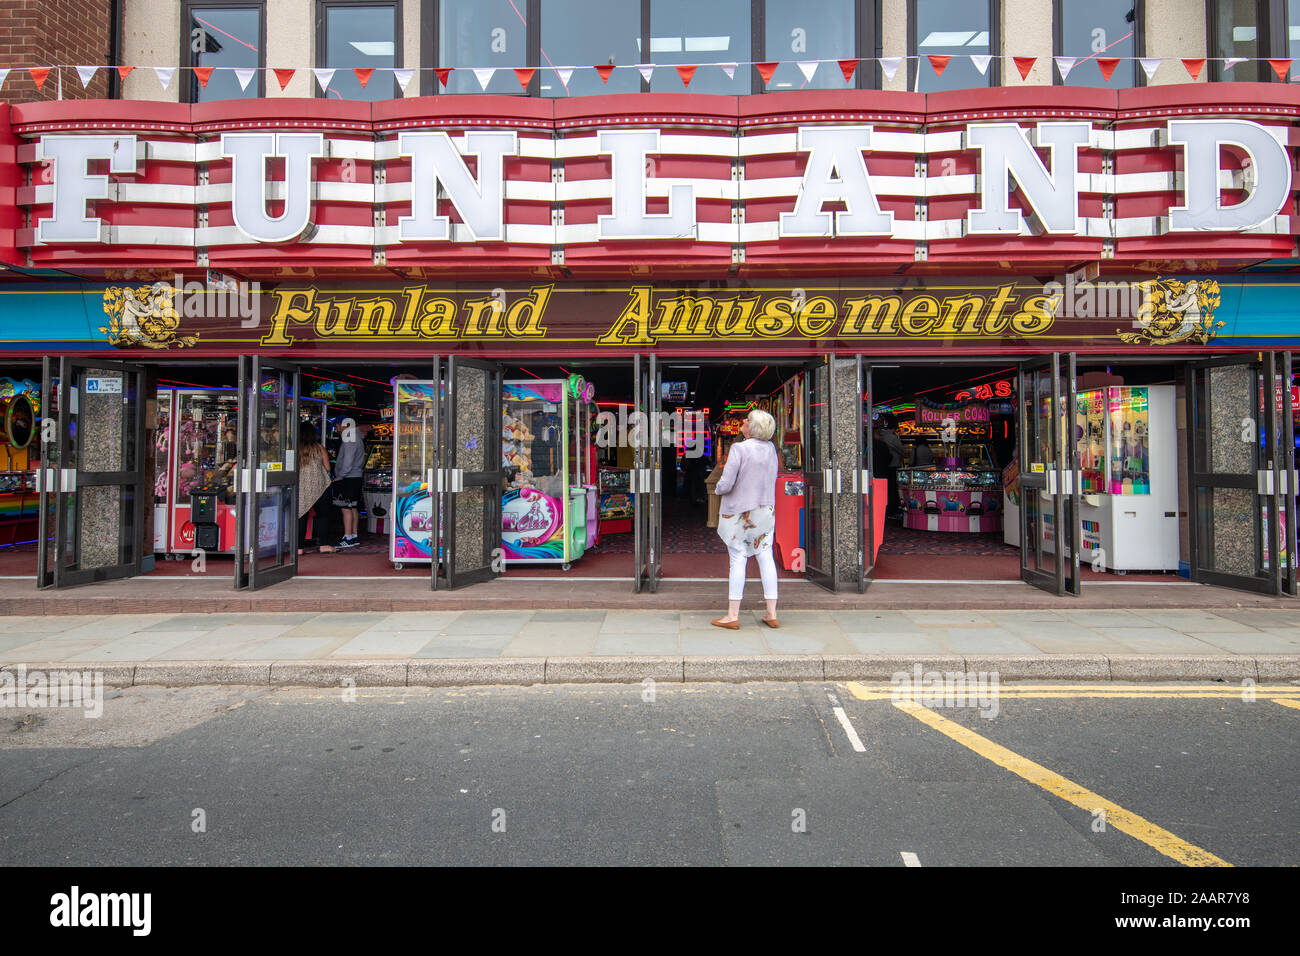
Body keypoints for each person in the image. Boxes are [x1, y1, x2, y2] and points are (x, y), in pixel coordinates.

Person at [711, 409, 781, 630]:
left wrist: (718, 489)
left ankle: (733, 615)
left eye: (748, 420)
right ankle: (771, 613)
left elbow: (727, 482)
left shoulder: (739, 448)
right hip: (765, 509)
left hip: (740, 511)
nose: (743, 421)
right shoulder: (771, 449)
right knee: (765, 557)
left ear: (753, 428)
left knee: (738, 558)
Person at [297, 423, 336, 555]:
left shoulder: (296, 449)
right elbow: (328, 468)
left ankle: (299, 548)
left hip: (302, 487)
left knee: (301, 515)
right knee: (323, 516)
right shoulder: (319, 448)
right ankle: (324, 545)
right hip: (320, 486)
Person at [332, 418, 367, 549]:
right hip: (355, 476)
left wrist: (340, 475)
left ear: (344, 425)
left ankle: (347, 536)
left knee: (345, 507)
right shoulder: (356, 437)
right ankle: (353, 536)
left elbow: (348, 460)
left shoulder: (350, 438)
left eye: (337, 425)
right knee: (353, 507)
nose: (336, 428)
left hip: (348, 477)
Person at [876, 415, 904, 520]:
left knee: (887, 489)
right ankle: (892, 510)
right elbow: (901, 449)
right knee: (892, 489)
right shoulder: (891, 437)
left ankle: (887, 510)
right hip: (893, 465)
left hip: (884, 465)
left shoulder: (881, 435)